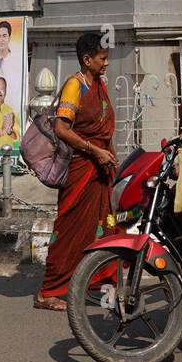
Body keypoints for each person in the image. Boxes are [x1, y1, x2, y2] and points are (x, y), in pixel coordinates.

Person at [34, 30, 118, 311]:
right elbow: (61, 128)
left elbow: (105, 127)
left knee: (104, 224)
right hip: (82, 168)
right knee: (69, 228)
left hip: (101, 169)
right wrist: (95, 151)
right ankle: (49, 291)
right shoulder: (76, 85)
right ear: (87, 59)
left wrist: (109, 156)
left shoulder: (99, 84)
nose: (106, 64)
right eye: (102, 58)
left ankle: (95, 281)